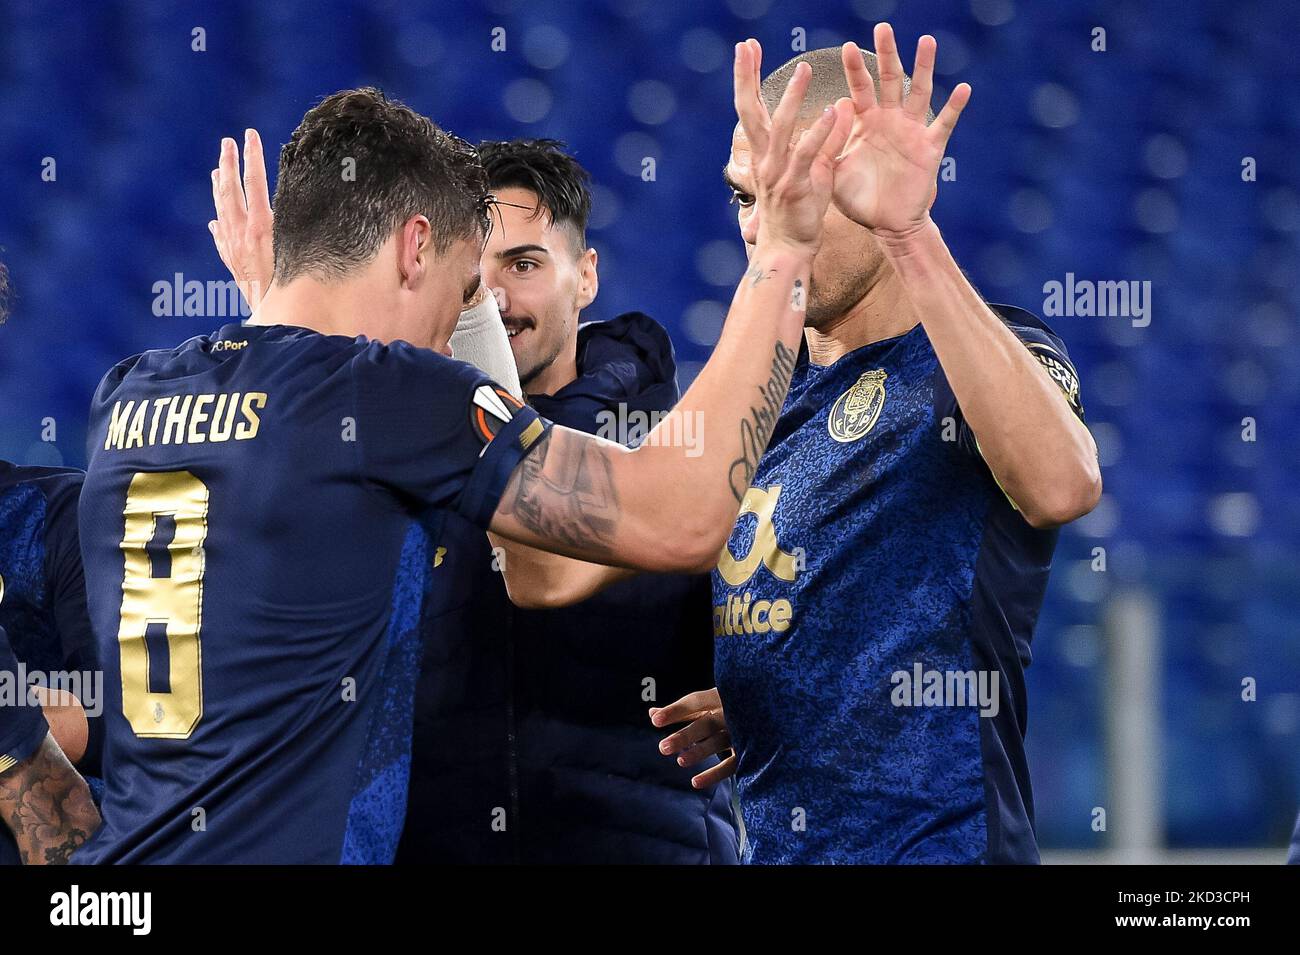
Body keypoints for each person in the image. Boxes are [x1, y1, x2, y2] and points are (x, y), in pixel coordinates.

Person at [73, 61, 851, 863]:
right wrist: (784, 249)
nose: (454, 335)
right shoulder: (388, 397)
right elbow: (681, 512)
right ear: (416, 247)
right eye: (460, 290)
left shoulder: (128, 395)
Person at [524, 27, 1100, 864]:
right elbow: (555, 567)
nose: (764, 228)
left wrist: (910, 234)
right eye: (746, 198)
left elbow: (1063, 485)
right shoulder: (757, 401)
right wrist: (788, 687)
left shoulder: (984, 356)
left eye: (802, 192)